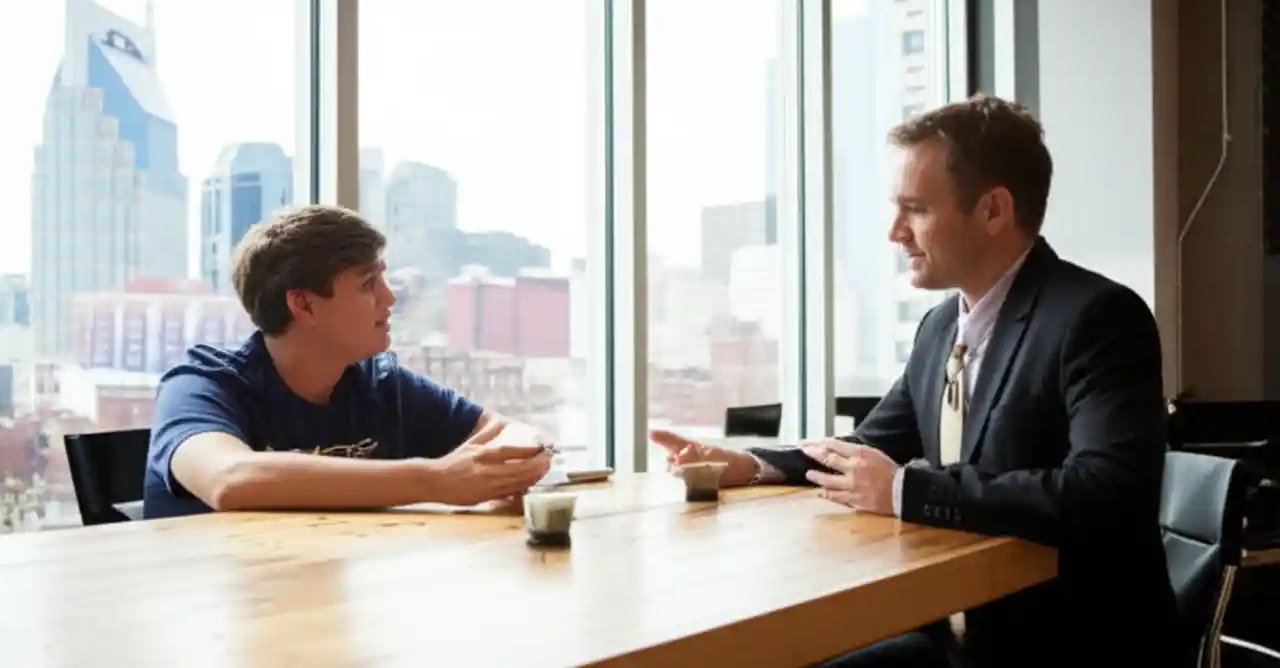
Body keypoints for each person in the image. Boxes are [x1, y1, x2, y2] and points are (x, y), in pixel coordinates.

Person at [650, 96, 1189, 666]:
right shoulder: (939, 327)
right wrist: (751, 465)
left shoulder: (1098, 317)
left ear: (993, 211)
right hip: (953, 632)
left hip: (1068, 647)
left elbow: (1108, 495)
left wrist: (908, 490)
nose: (894, 232)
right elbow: (872, 445)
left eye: (915, 209)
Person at [143, 205, 551, 519]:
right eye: (368, 284)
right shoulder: (201, 385)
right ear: (302, 303)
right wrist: (436, 479)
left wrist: (519, 454)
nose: (389, 298)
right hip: (216, 612)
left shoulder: (380, 383)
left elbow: (506, 432)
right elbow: (231, 479)